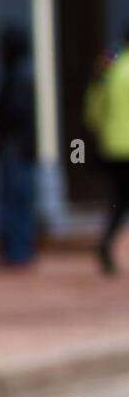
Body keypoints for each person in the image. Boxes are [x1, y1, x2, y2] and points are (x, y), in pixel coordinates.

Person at [0, 26, 37, 266]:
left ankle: (17, 252)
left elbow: (14, 112)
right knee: (18, 199)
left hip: (15, 147)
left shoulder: (16, 77)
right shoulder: (19, 74)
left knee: (15, 200)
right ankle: (18, 250)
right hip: (20, 147)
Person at [83, 25, 129, 273]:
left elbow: (93, 107)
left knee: (120, 200)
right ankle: (105, 246)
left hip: (113, 145)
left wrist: (100, 131)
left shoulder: (110, 68)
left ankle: (106, 244)